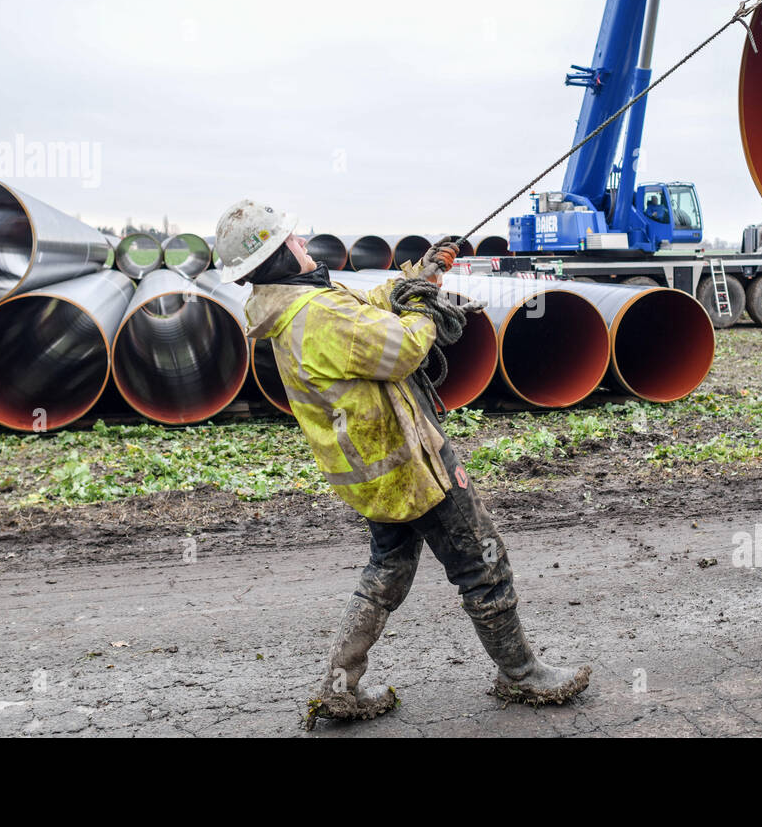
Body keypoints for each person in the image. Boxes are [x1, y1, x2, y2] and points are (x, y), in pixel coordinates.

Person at [214, 200, 591, 726]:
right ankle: (523, 676)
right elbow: (407, 348)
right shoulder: (319, 316)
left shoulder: (295, 304)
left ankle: (338, 686)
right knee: (482, 563)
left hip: (373, 474)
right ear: (277, 256)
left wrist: (424, 272)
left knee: (387, 569)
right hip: (413, 465)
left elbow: (368, 301)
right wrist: (425, 307)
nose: (303, 243)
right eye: (293, 241)